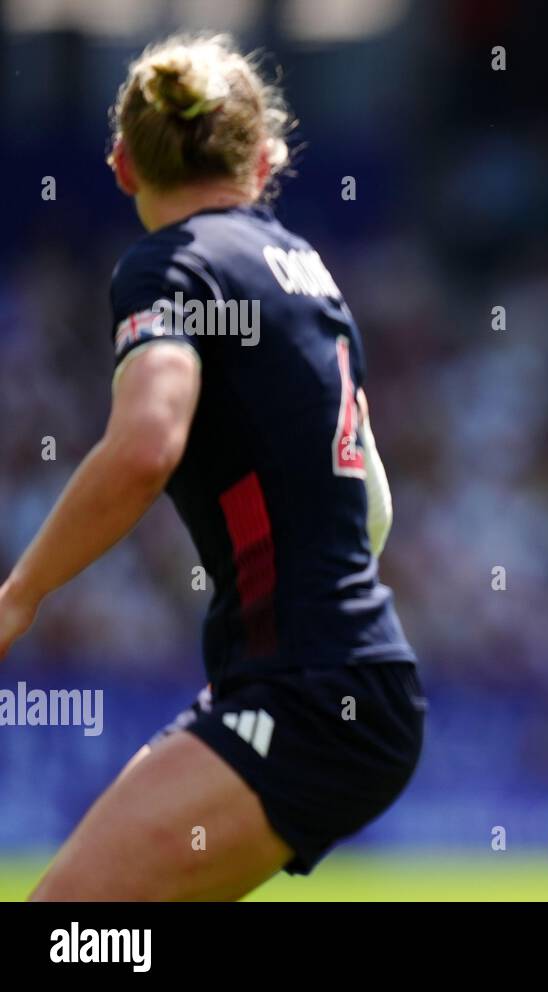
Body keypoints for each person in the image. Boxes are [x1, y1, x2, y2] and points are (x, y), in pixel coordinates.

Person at [0, 33, 425, 900]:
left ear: (123, 164)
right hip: (340, 677)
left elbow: (146, 445)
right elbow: (373, 509)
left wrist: (20, 595)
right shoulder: (309, 275)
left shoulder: (170, 266)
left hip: (304, 696)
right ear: (265, 160)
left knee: (69, 930)